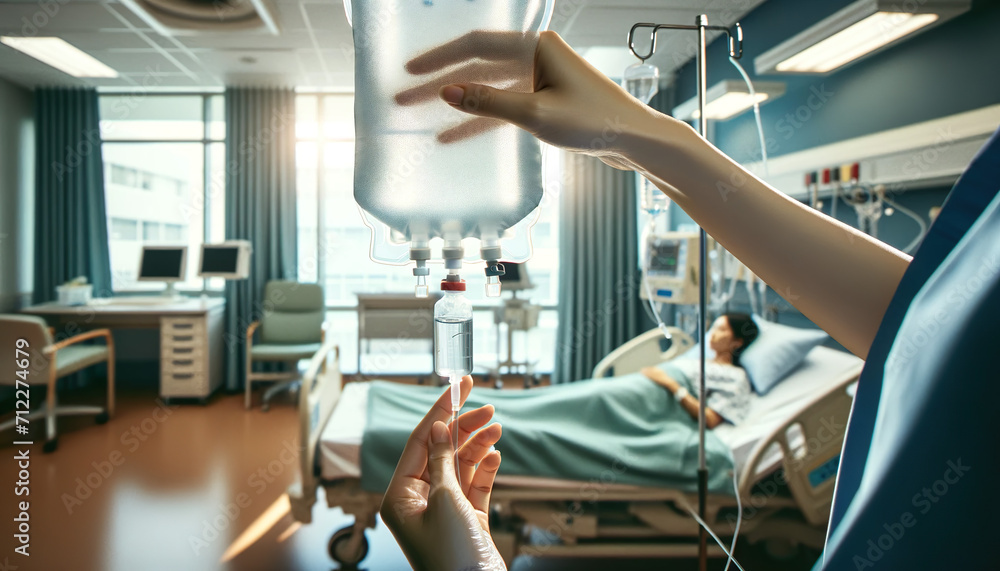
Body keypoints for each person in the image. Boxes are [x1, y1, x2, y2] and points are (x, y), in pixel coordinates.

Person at [381, 31, 999, 570]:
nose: (720, 339)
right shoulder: (966, 298)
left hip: (668, 410)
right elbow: (934, 323)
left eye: (730, 335)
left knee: (559, 411)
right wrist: (649, 139)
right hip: (659, 387)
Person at [643, 312, 759, 428]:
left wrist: (671, 385)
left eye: (722, 329)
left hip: (663, 394)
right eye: (714, 327)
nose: (713, 334)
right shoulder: (697, 361)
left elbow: (711, 419)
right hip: (650, 383)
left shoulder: (736, 376)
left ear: (737, 342)